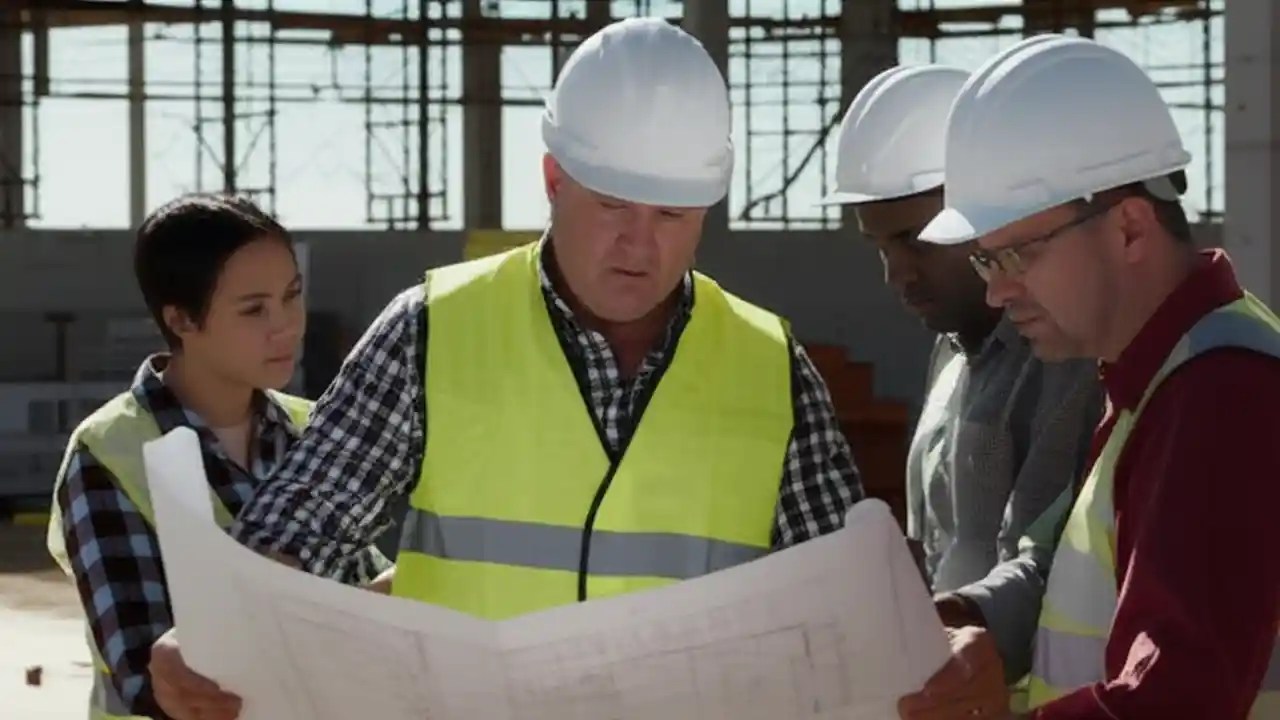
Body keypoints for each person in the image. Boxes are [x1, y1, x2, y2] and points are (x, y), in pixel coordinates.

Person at [147, 17, 865, 720]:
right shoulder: (433, 330)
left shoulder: (772, 369)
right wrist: (220, 631)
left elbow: (844, 606)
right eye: (613, 205)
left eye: (671, 216)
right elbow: (304, 520)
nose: (639, 245)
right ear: (553, 179)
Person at [898, 34, 1280, 719]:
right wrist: (967, 620)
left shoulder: (1221, 392)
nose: (996, 293)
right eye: (985, 261)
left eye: (1017, 255)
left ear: (1129, 228)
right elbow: (1064, 569)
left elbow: (1175, 701)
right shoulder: (1158, 380)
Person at [46, 193, 391, 720]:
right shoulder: (108, 452)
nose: (287, 325)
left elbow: (369, 588)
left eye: (292, 295)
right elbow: (149, 670)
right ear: (182, 319)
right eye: (254, 309)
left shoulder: (315, 430)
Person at [821, 63, 1101, 593]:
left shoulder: (1070, 359)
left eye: (915, 241)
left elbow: (1048, 568)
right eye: (881, 248)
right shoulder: (950, 355)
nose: (897, 274)